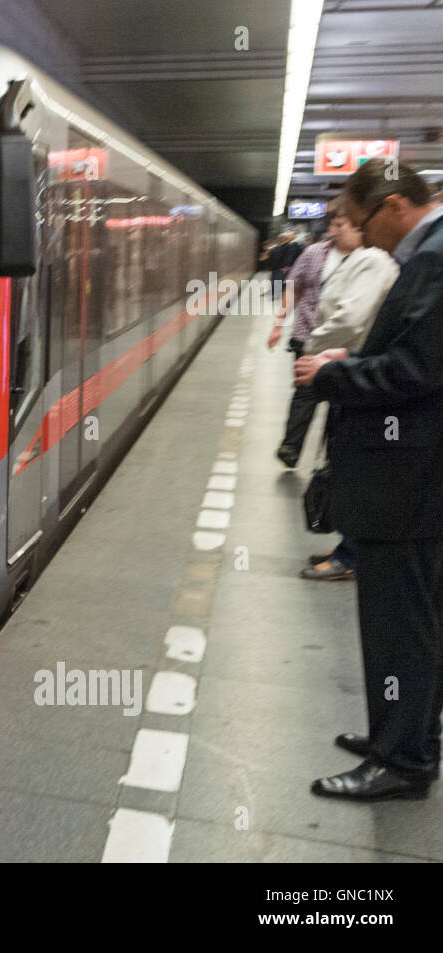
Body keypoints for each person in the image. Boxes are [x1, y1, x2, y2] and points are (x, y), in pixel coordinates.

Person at [295, 159, 443, 801]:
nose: (358, 238)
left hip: (407, 482)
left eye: (358, 223)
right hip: (419, 480)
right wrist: (354, 357)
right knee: (419, 619)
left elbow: (415, 371)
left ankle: (399, 761)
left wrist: (333, 375)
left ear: (390, 206)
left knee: (397, 626)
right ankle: (409, 738)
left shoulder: (434, 257)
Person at [296, 200, 399, 581]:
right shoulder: (361, 258)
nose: (336, 231)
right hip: (348, 365)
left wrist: (313, 347)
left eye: (346, 224)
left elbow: (350, 317)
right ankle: (347, 547)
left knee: (351, 462)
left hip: (352, 369)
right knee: (344, 457)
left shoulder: (374, 260)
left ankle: (352, 554)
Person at [269, 218, 336, 467]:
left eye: (346, 224)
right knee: (305, 393)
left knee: (339, 401)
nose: (338, 229)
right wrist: (278, 325)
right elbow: (294, 287)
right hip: (307, 338)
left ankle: (333, 456)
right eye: (336, 223)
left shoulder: (369, 258)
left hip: (345, 343)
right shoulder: (313, 253)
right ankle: (291, 446)